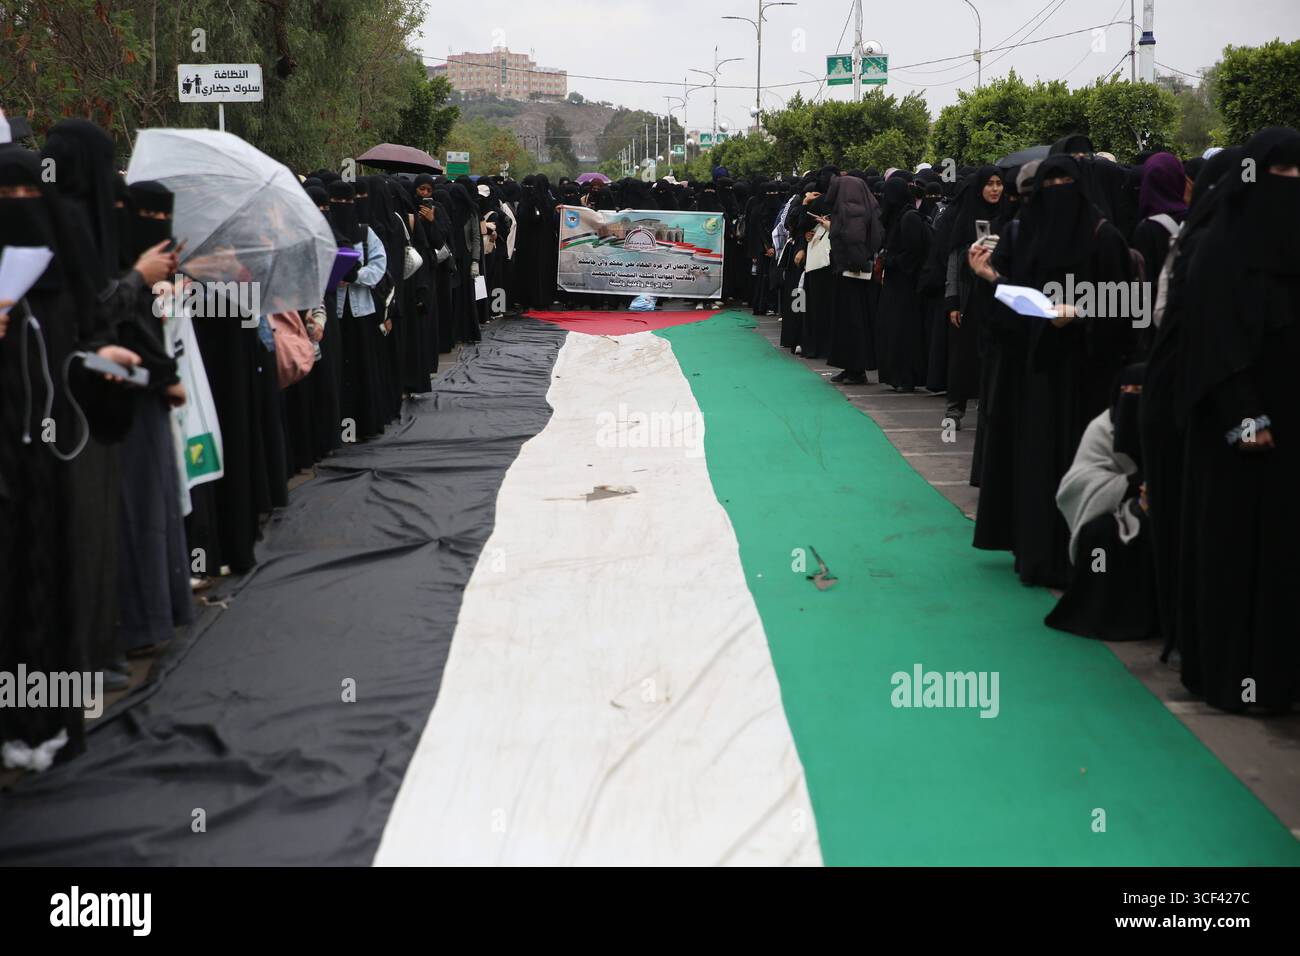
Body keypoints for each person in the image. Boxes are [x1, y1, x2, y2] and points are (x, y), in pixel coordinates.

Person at [1174, 126, 1300, 713]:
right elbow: (1210, 341)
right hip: (1238, 434)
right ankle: (1231, 674)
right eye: (1282, 175)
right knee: (1234, 550)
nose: (1293, 186)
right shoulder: (1221, 248)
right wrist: (1245, 417)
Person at [968, 155, 1137, 588]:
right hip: (1039, 373)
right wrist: (991, 277)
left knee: (1078, 463)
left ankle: (1080, 556)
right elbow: (1019, 301)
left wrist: (1080, 314)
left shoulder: (1104, 238)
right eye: (1050, 181)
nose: (1057, 188)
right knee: (1039, 462)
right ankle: (1039, 555)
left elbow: (1128, 308)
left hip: (1088, 375)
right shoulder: (1034, 237)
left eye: (1066, 180)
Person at [1046, 365, 1157, 641]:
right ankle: (1095, 612)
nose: (1132, 397)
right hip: (1109, 507)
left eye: (1140, 392)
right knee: (1100, 534)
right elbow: (1077, 484)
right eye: (1126, 391)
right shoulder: (1101, 428)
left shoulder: (1163, 421)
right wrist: (1130, 486)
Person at [825, 173, 882, 385]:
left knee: (851, 322)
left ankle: (855, 368)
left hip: (851, 273)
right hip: (852, 272)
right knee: (850, 322)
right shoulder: (861, 208)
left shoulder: (851, 211)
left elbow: (854, 240)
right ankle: (850, 367)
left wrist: (855, 264)